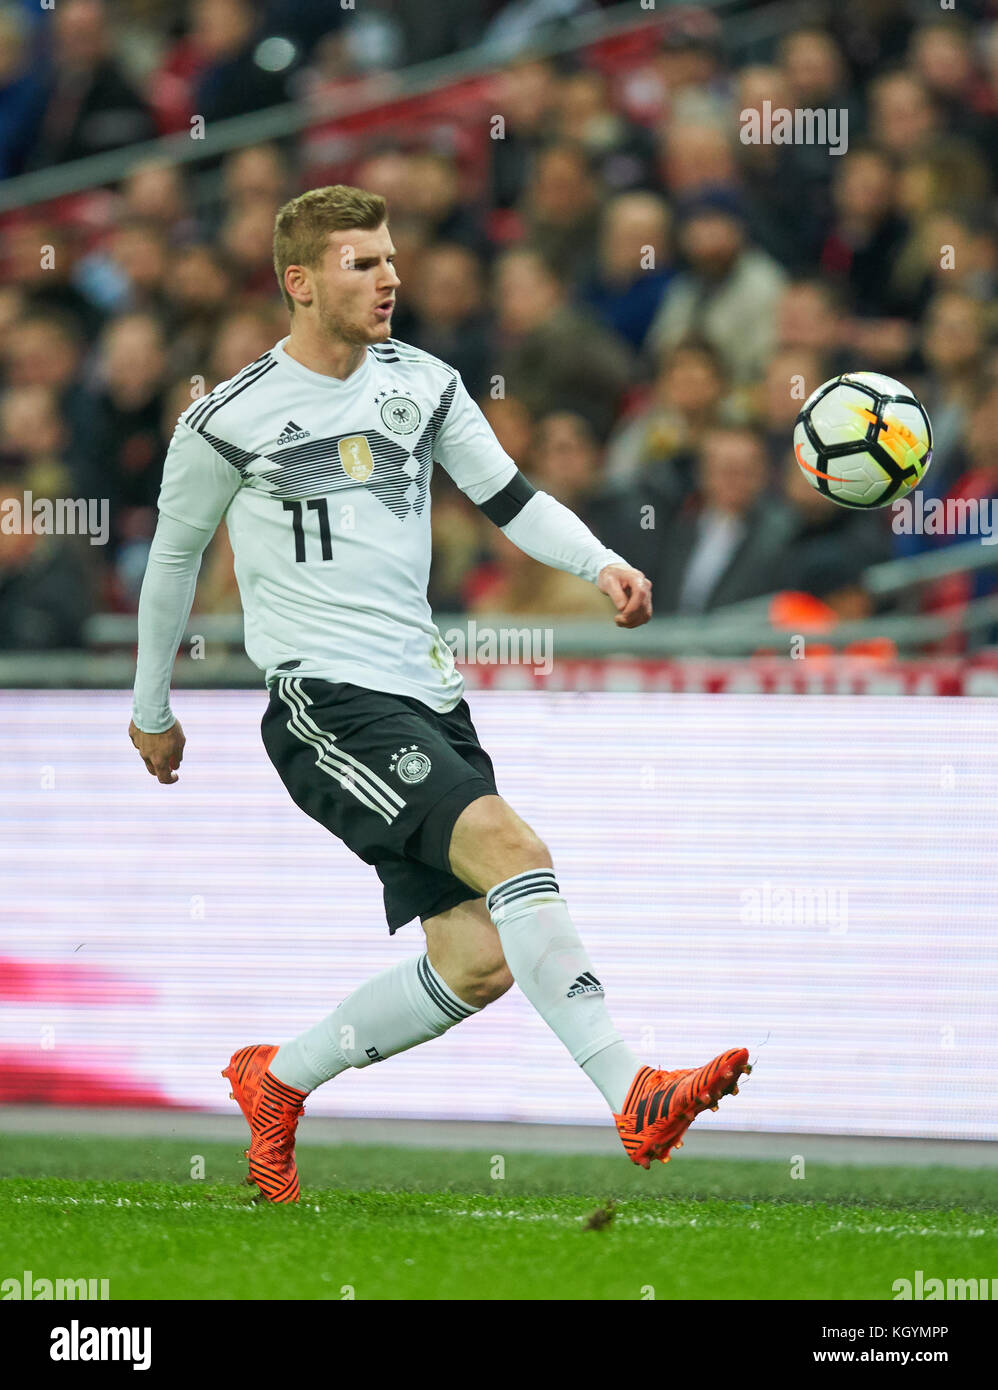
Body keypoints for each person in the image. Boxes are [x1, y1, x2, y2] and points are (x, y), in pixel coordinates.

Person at [128, 185, 749, 1203]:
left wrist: (599, 563)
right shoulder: (226, 419)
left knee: (472, 962)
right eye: (360, 263)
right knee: (516, 849)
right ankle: (631, 1091)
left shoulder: (423, 382)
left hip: (428, 698)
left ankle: (276, 1079)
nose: (388, 278)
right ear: (299, 282)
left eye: (389, 258)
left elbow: (507, 497)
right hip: (323, 703)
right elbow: (172, 561)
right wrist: (152, 709)